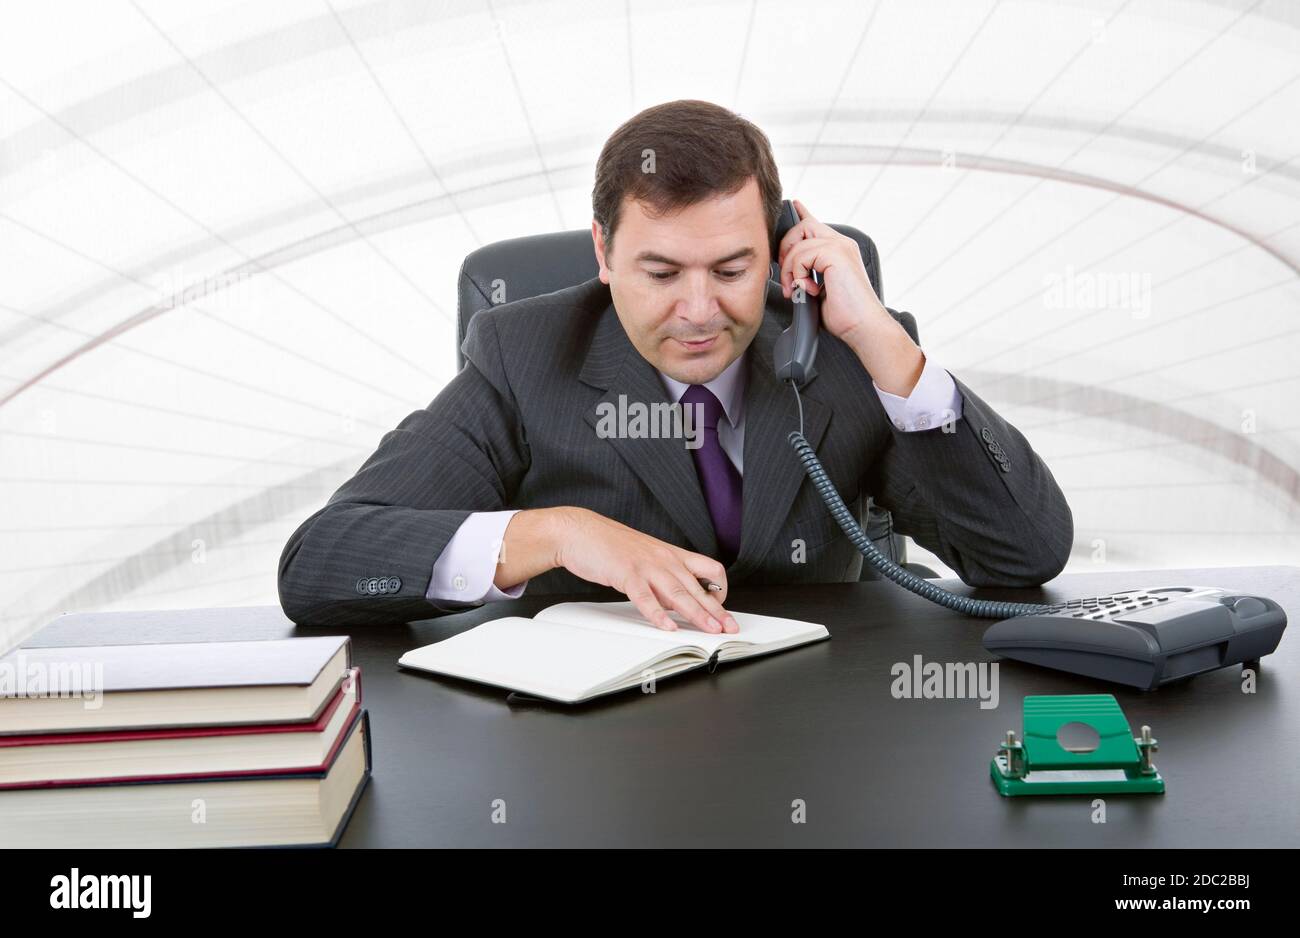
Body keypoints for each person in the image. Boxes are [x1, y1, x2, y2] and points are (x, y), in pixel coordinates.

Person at [278, 99, 1072, 631]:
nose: (698, 311)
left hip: (817, 736)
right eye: (661, 274)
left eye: (731, 270)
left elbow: (1025, 557)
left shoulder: (841, 356)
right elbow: (321, 562)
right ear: (603, 252)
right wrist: (559, 533)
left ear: (780, 248)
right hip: (596, 758)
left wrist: (881, 341)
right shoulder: (523, 358)